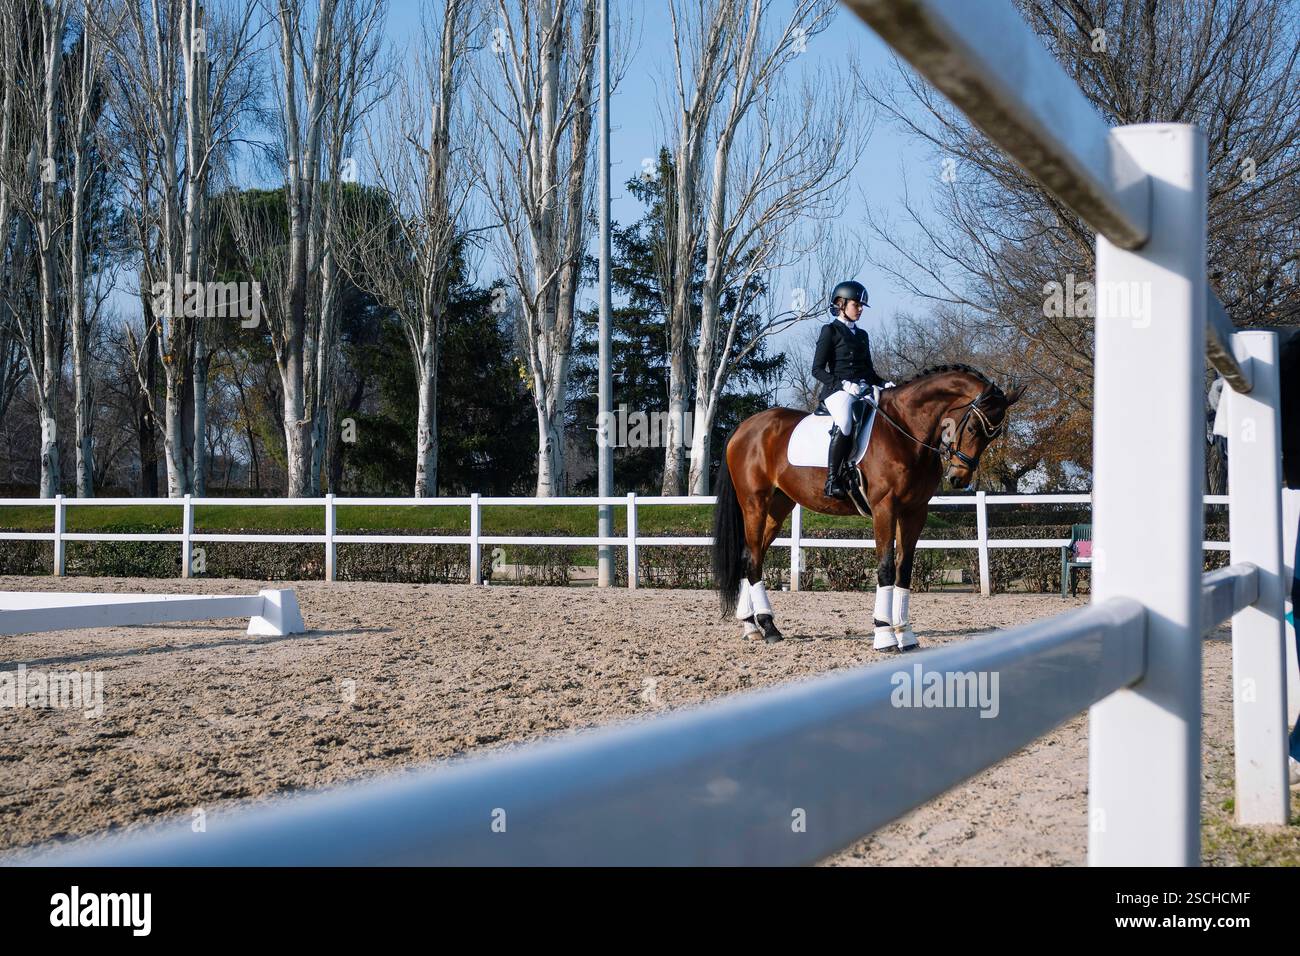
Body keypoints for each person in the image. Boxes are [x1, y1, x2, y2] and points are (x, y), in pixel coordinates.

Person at [810, 280, 893, 499]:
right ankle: (831, 480)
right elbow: (817, 370)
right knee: (846, 421)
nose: (860, 309)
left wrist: (885, 383)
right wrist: (844, 384)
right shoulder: (830, 331)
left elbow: (869, 371)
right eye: (857, 305)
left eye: (861, 305)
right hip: (837, 391)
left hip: (863, 389)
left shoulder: (863, 335)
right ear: (841, 304)